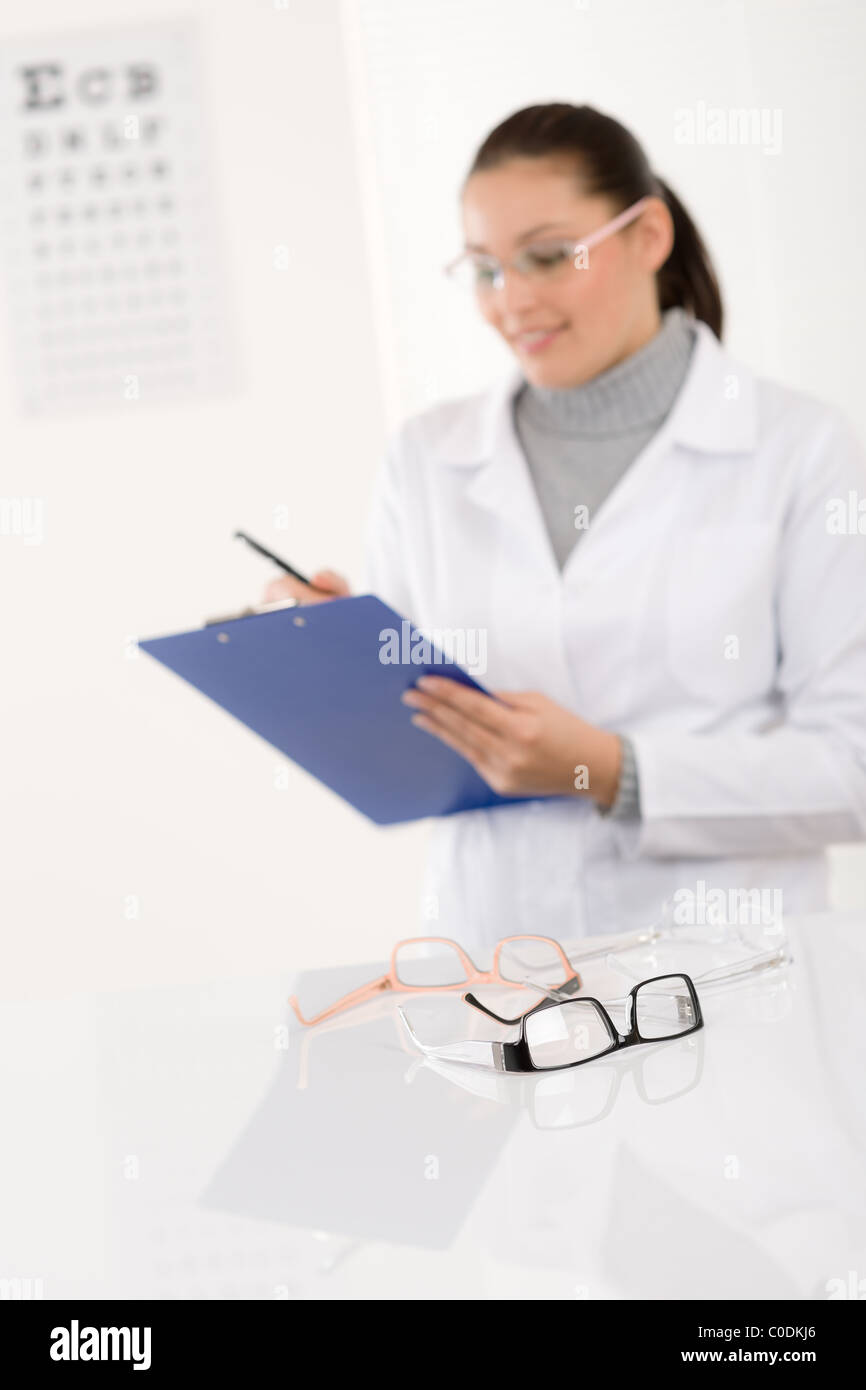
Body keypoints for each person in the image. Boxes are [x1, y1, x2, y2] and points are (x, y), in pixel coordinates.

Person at [263, 102, 866, 946]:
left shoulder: (797, 448)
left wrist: (610, 770)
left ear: (648, 235)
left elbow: (851, 767)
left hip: (729, 967)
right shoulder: (427, 458)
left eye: (548, 257)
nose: (511, 301)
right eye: (483, 268)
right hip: (496, 971)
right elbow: (416, 742)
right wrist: (335, 660)